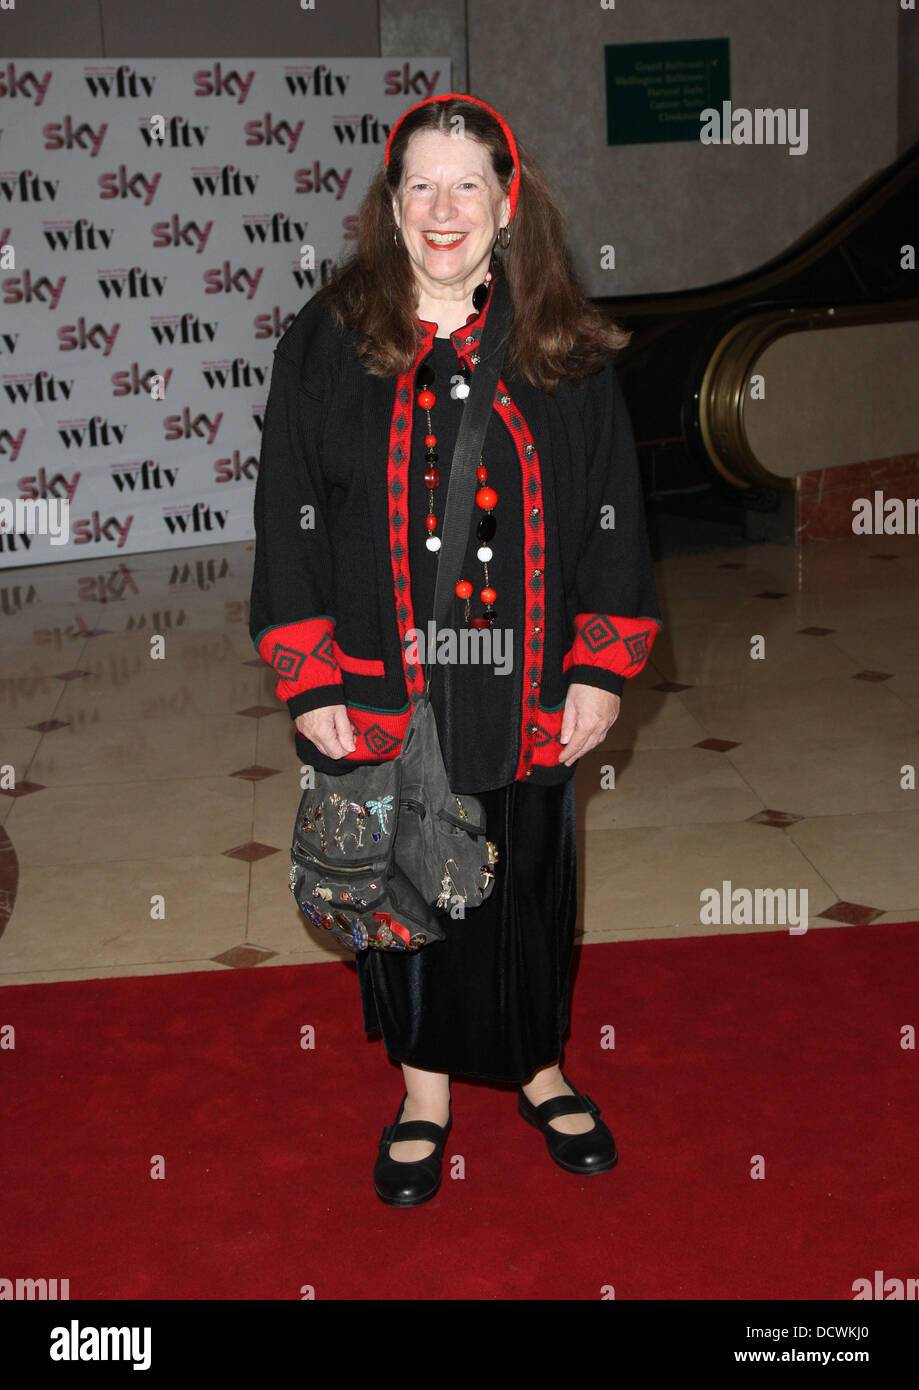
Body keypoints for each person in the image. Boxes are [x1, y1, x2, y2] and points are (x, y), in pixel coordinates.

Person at [249, 92, 661, 1206]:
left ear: (507, 201)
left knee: (528, 877)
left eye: (466, 185)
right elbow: (287, 509)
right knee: (405, 887)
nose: (442, 208)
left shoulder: (562, 345)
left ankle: (539, 1068)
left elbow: (614, 510)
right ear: (389, 205)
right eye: (419, 185)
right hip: (389, 679)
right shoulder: (326, 343)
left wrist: (598, 666)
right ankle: (422, 1092)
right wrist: (310, 676)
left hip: (521, 678)